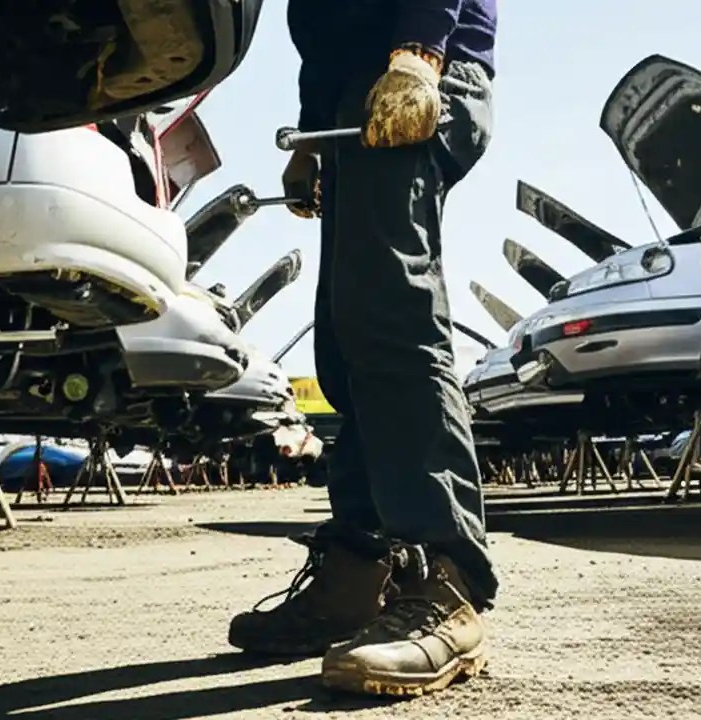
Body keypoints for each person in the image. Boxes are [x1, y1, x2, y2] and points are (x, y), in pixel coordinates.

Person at [227, 0, 498, 698]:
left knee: (391, 318)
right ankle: (358, 571)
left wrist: (420, 53)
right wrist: (311, 142)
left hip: (417, 67)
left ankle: (448, 584)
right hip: (356, 92)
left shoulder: (418, 57)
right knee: (346, 342)